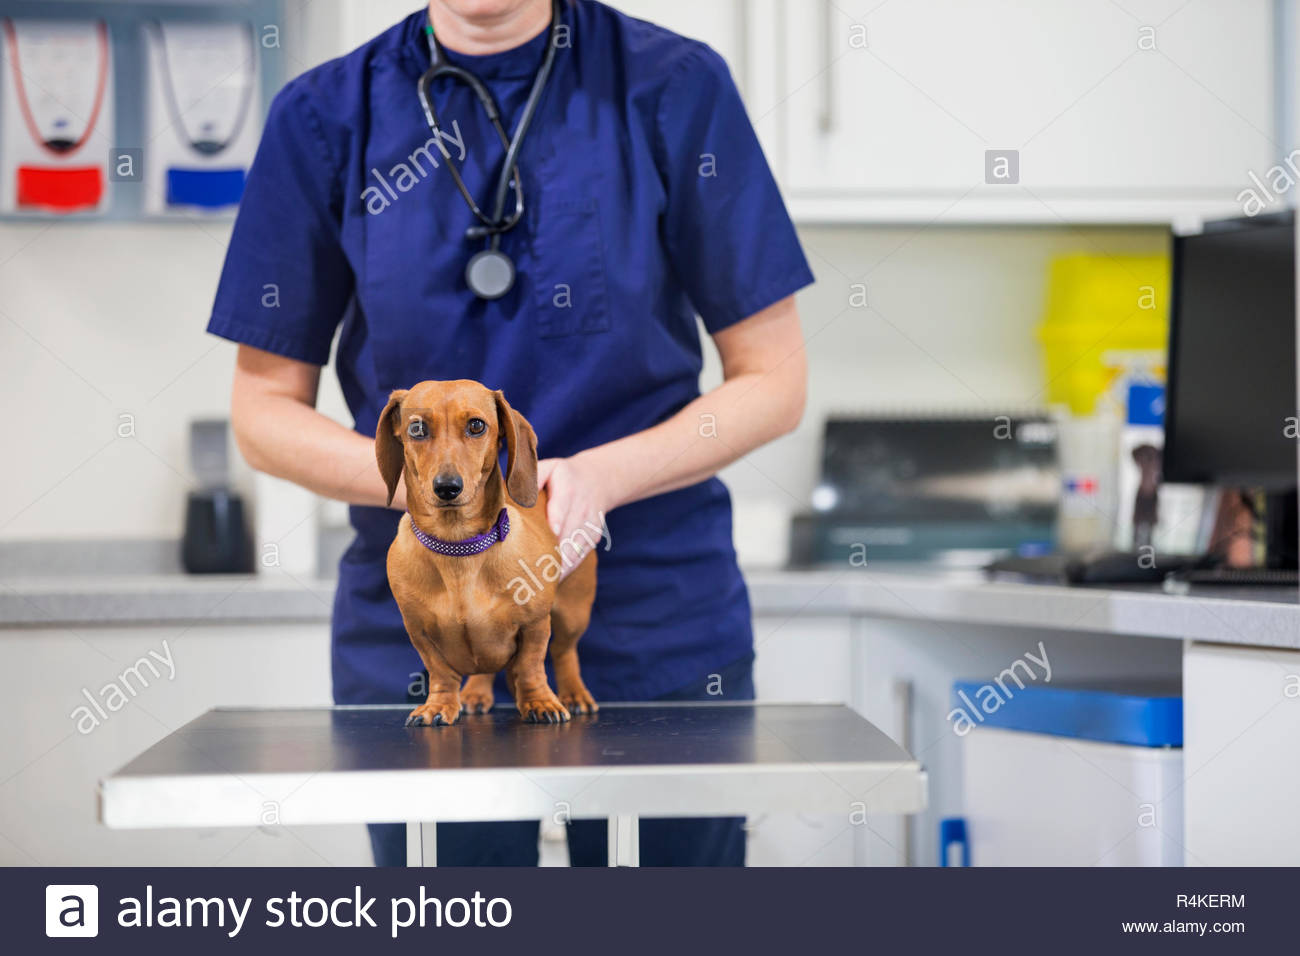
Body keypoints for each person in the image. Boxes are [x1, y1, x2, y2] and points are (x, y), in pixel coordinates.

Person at [209, 0, 812, 866]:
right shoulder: (323, 117)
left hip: (650, 627)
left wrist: (601, 478)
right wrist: (432, 491)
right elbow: (262, 414)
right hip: (424, 643)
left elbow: (775, 380)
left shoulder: (674, 86)